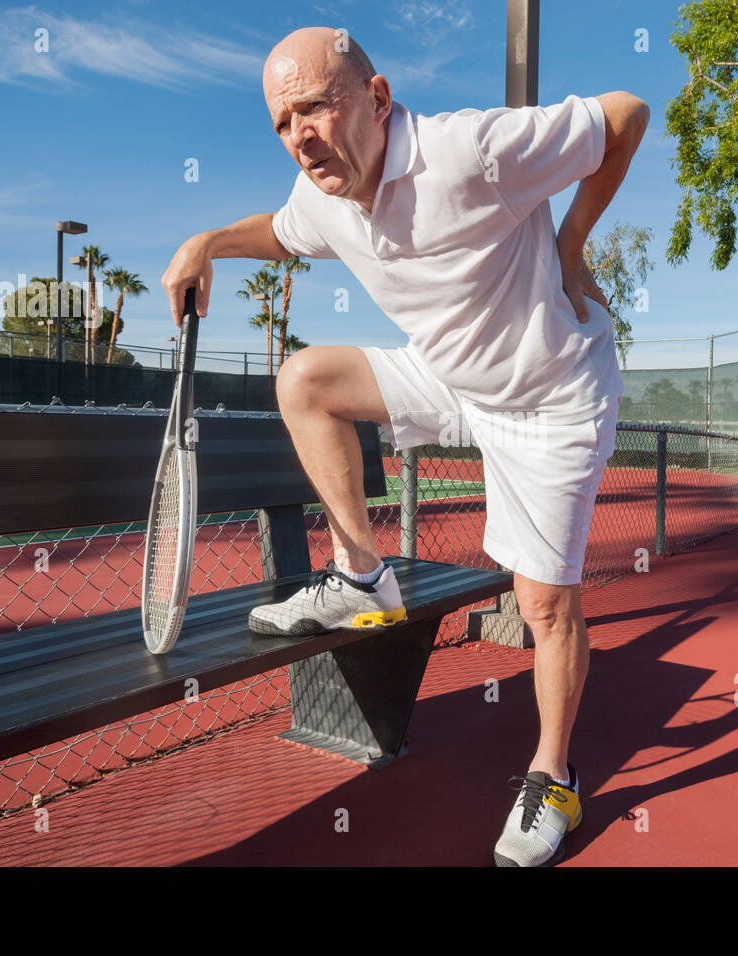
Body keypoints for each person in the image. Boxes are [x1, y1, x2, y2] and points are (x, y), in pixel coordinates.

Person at [161, 26, 648, 867]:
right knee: (305, 380)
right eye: (282, 121)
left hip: (551, 396)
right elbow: (284, 230)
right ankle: (361, 574)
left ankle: (553, 773)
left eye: (315, 105)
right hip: (453, 377)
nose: (299, 134)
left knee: (543, 606)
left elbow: (625, 114)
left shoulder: (470, 151)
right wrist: (206, 244)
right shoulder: (321, 193)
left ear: (378, 99)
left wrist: (569, 245)